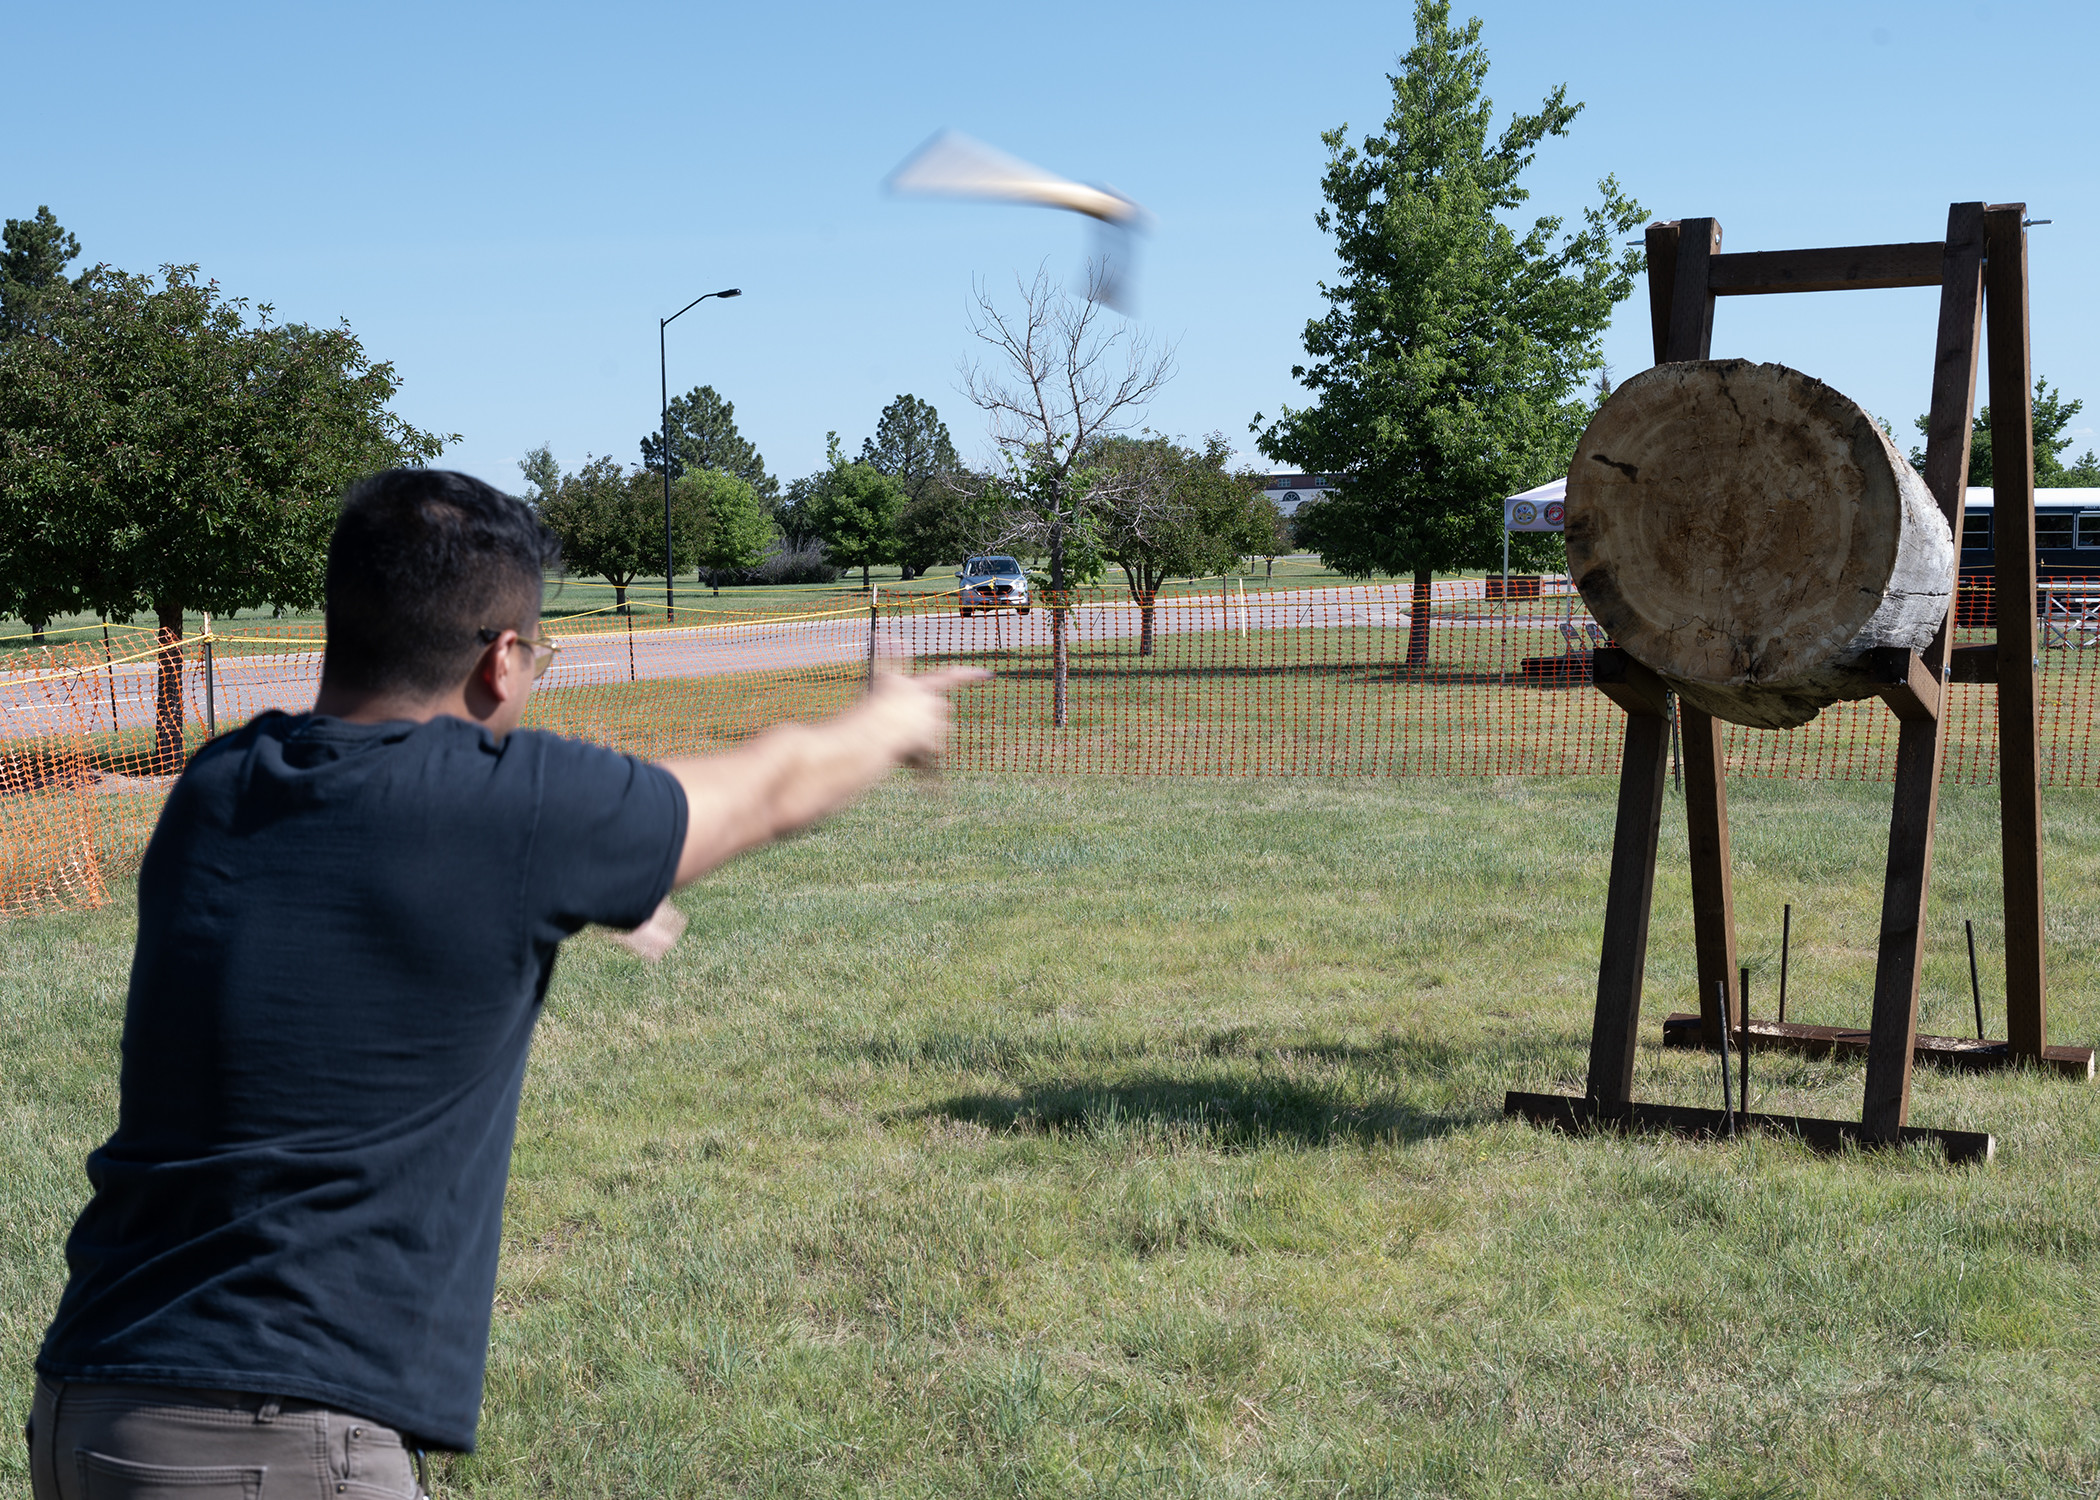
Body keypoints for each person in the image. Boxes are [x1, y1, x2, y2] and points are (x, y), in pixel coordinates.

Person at [26, 469, 979, 1499]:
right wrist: (891, 720)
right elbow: (775, 783)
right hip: (277, 1437)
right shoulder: (506, 813)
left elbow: (367, 902)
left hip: (90, 1403)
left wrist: (572, 892)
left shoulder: (217, 789)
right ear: (503, 659)